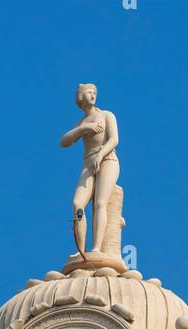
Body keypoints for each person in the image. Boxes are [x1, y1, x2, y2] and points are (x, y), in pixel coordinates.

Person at [60, 83, 120, 257]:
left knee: (100, 203)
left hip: (107, 160)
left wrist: (101, 154)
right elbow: (64, 142)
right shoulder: (82, 123)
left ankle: (96, 249)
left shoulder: (106, 115)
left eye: (94, 92)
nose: (93, 95)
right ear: (81, 97)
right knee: (77, 204)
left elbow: (114, 139)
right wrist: (83, 129)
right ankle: (81, 250)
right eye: (89, 92)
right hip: (88, 164)